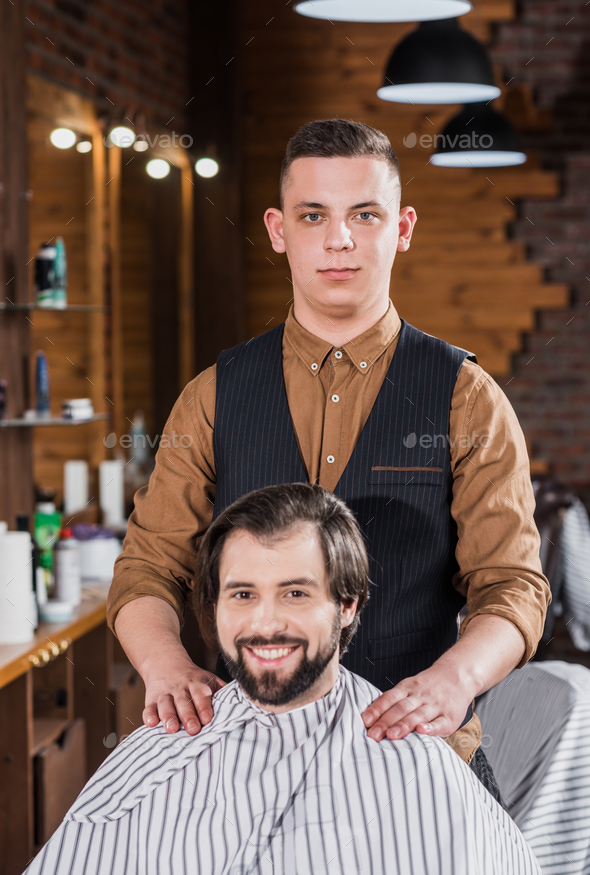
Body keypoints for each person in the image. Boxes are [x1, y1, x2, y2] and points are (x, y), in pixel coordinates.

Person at [108, 118, 550, 791]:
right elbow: (147, 568)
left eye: (364, 215)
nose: (338, 239)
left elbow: (513, 586)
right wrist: (165, 665)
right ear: (278, 230)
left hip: (421, 760)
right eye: (313, 215)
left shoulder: (466, 398)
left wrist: (454, 679)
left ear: (402, 228)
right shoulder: (214, 396)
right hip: (250, 760)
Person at [24, 484, 541, 875]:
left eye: (295, 593)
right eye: (243, 594)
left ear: (347, 604)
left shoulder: (421, 773)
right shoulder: (155, 758)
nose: (265, 623)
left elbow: (516, 584)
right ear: (215, 607)